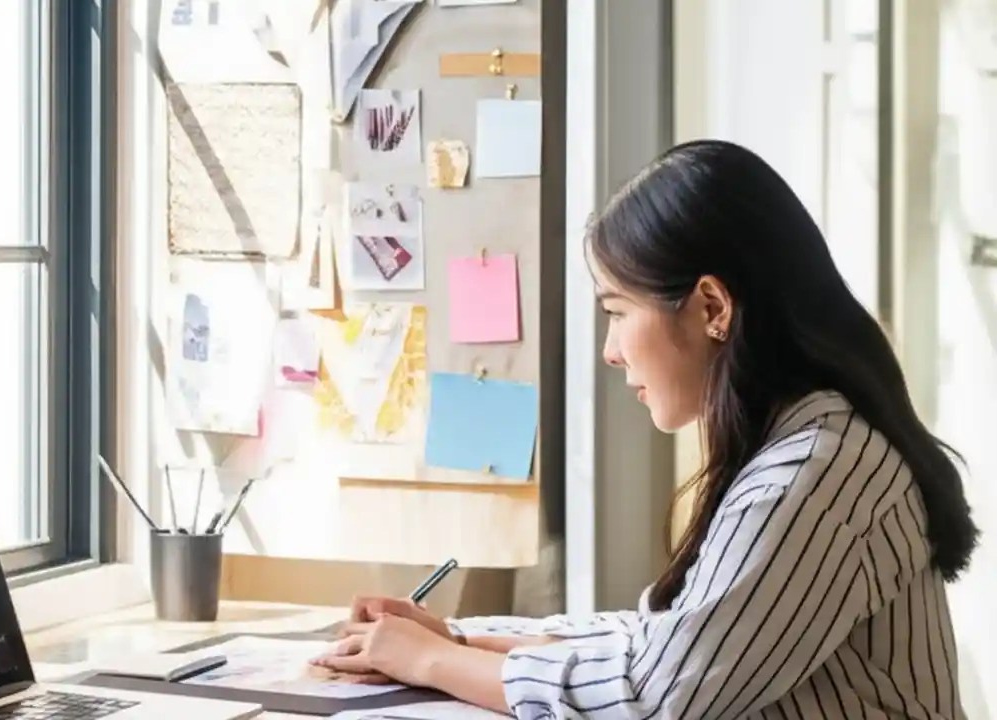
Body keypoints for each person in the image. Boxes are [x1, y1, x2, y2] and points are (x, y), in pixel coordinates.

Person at [309, 140, 978, 718]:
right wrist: (458, 639)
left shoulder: (815, 474)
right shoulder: (800, 445)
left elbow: (658, 695)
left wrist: (433, 662)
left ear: (712, 307)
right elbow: (659, 643)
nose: (610, 350)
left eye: (618, 311)